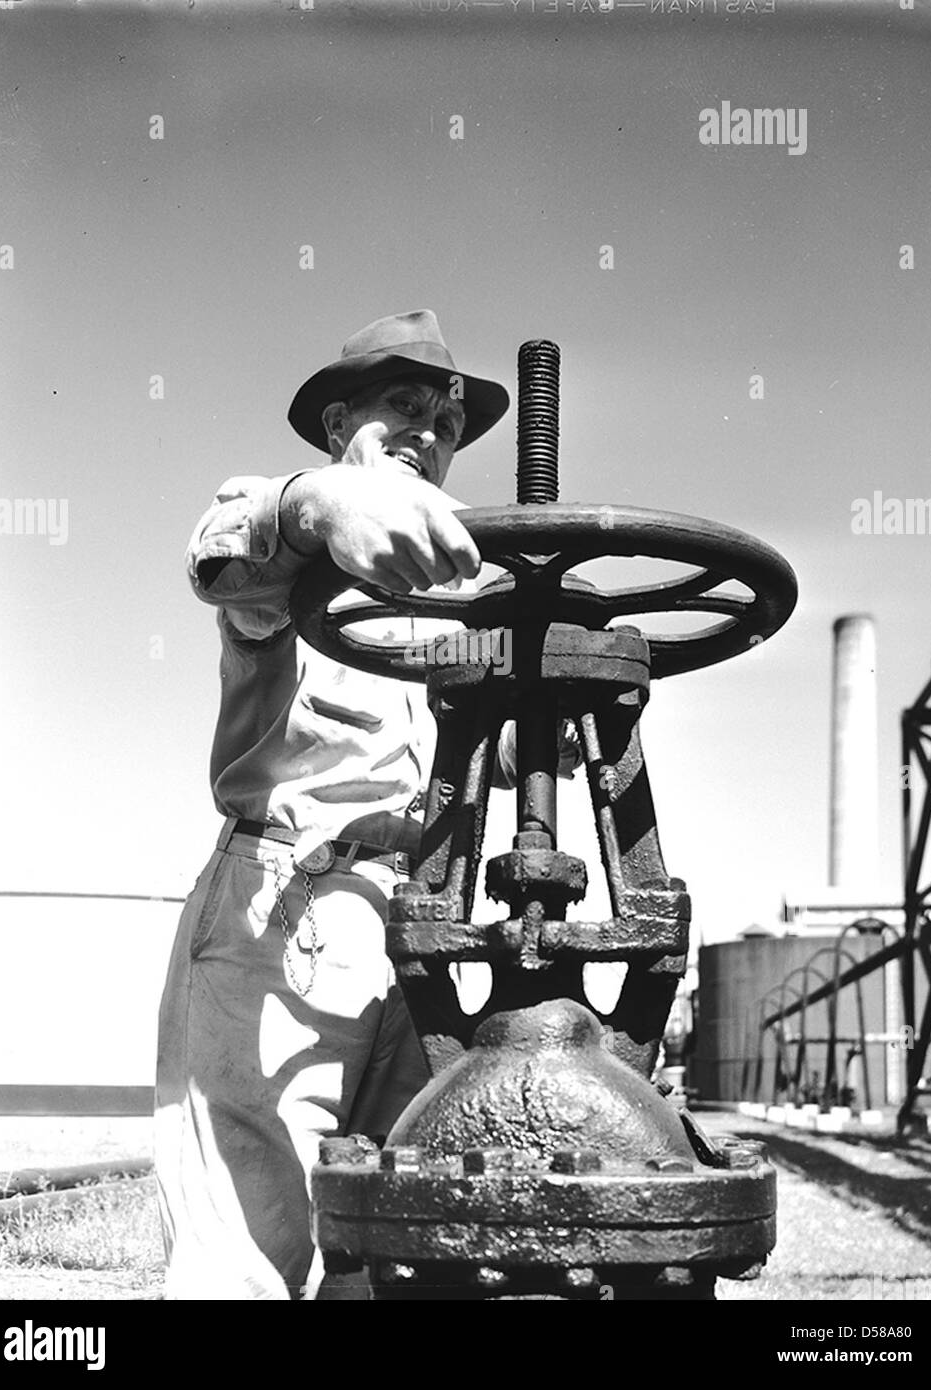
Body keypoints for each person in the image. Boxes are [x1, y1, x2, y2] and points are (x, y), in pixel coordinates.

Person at [154, 310, 577, 1301]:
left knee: (388, 1262)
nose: (427, 432)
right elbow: (221, 554)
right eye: (401, 406)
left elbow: (494, 755)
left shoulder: (454, 591)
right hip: (285, 910)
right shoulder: (294, 544)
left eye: (444, 419)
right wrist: (321, 503)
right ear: (340, 419)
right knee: (250, 1261)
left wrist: (548, 703)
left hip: (422, 933)